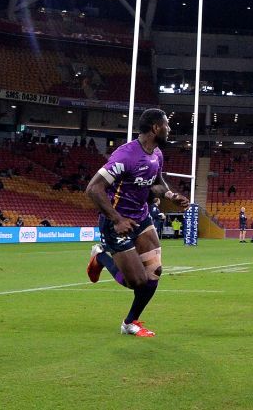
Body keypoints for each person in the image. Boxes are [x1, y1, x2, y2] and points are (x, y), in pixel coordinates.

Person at [84, 109, 190, 337]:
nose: (169, 130)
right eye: (166, 125)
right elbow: (93, 189)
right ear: (155, 128)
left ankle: (130, 322)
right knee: (137, 283)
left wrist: (171, 196)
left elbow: (158, 182)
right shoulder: (126, 156)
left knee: (155, 271)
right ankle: (101, 255)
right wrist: (117, 219)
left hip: (141, 217)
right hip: (117, 222)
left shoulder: (156, 154)